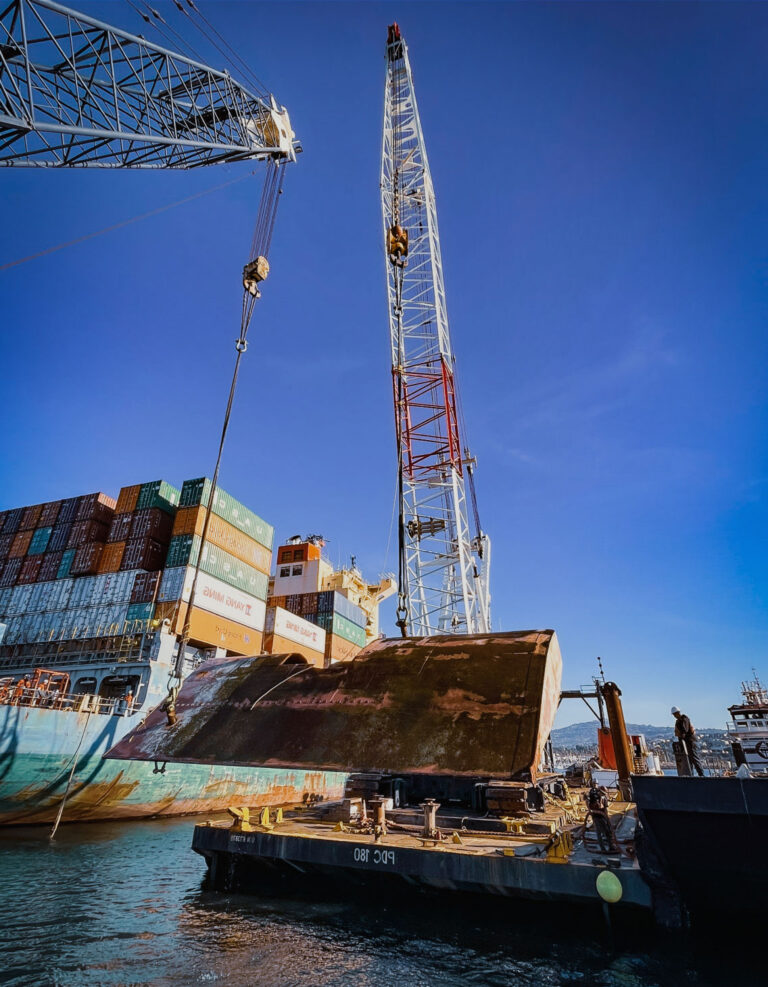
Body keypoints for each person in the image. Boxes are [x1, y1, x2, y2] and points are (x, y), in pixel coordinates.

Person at [671, 706, 705, 777]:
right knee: (688, 760)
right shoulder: (678, 721)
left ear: (678, 713)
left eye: (675, 714)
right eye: (674, 715)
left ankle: (702, 775)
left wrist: (682, 738)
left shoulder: (685, 719)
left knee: (694, 759)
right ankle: (690, 775)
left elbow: (684, 731)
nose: (674, 716)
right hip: (685, 743)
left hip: (691, 742)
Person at [586, 782, 617, 853]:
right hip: (596, 816)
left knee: (608, 831)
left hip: (602, 815)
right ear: (599, 791)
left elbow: (606, 808)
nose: (603, 795)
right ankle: (602, 848)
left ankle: (611, 846)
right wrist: (590, 810)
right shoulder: (593, 795)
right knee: (599, 832)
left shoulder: (604, 798)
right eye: (602, 794)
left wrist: (607, 818)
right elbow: (587, 801)